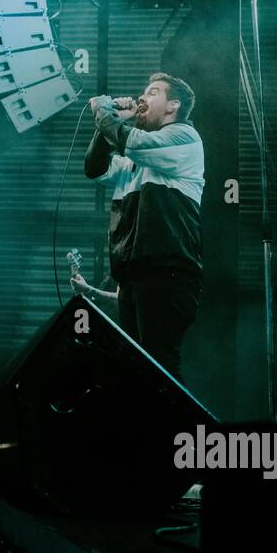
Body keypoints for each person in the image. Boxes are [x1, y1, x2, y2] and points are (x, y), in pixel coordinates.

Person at [84, 72, 205, 382]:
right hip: (135, 275)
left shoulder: (183, 138)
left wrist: (105, 112)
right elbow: (94, 168)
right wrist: (111, 122)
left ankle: (177, 431)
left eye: (153, 93)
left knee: (159, 371)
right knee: (133, 373)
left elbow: (130, 140)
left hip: (168, 274)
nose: (142, 98)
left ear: (172, 105)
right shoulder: (136, 157)